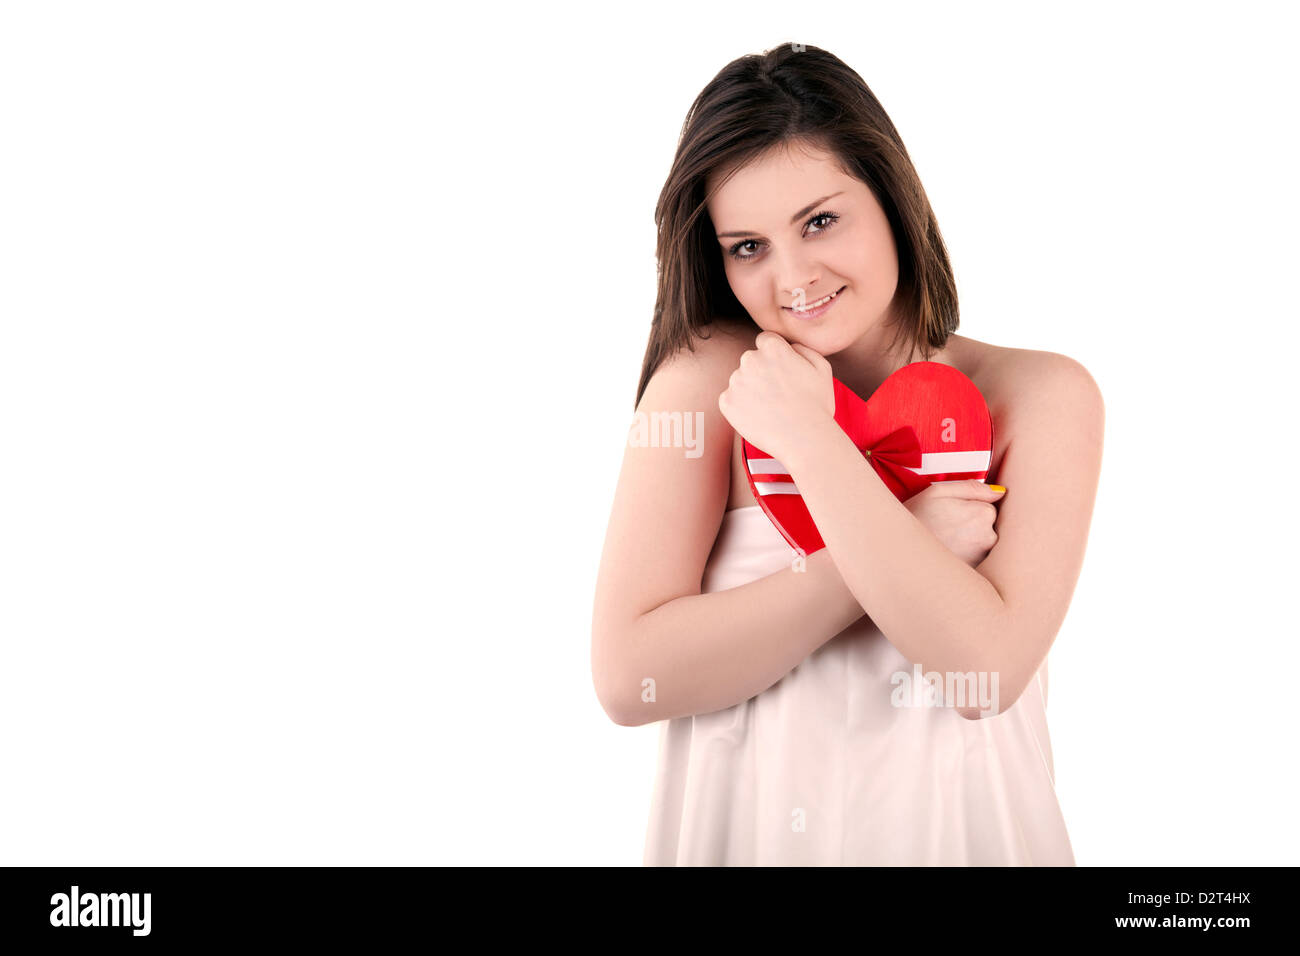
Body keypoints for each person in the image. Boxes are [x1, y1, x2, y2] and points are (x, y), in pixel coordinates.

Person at [590, 42, 1104, 865]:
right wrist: (902, 540)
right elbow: (627, 676)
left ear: (893, 200)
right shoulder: (709, 385)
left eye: (821, 221)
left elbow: (986, 667)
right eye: (747, 246)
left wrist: (808, 437)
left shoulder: (1041, 395)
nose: (793, 277)